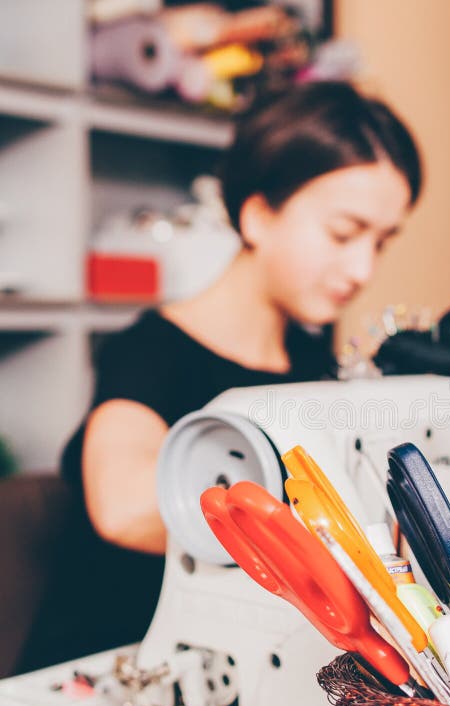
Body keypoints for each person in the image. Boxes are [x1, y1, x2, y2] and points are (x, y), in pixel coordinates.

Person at [17, 81, 422, 671]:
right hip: (113, 672)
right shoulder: (150, 352)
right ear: (258, 215)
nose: (363, 269)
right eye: (343, 233)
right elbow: (124, 508)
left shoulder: (313, 373)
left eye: (381, 242)